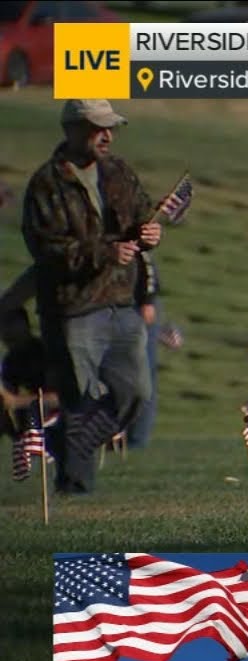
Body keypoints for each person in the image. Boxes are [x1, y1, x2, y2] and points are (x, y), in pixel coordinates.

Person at [21, 99, 161, 495]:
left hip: (122, 302)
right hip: (74, 308)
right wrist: (105, 252)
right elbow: (46, 250)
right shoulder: (46, 184)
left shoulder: (118, 170)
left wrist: (149, 233)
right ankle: (75, 489)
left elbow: (142, 213)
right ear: (73, 130)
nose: (108, 135)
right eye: (99, 128)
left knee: (134, 393)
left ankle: (65, 440)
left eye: (111, 127)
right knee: (80, 398)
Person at [127, 251, 161, 449]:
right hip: (110, 300)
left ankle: (137, 437)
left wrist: (147, 298)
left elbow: (144, 254)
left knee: (143, 373)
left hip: (137, 299)